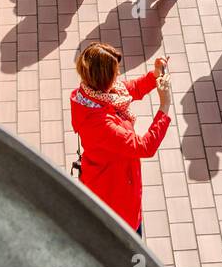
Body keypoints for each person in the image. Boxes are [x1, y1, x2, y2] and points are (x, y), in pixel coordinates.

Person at [71, 42, 171, 233]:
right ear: (103, 79)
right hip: (116, 199)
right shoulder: (100, 124)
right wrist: (164, 107)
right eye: (114, 73)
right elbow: (144, 147)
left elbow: (129, 89)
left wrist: (154, 75)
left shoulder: (94, 93)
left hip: (113, 184)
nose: (118, 76)